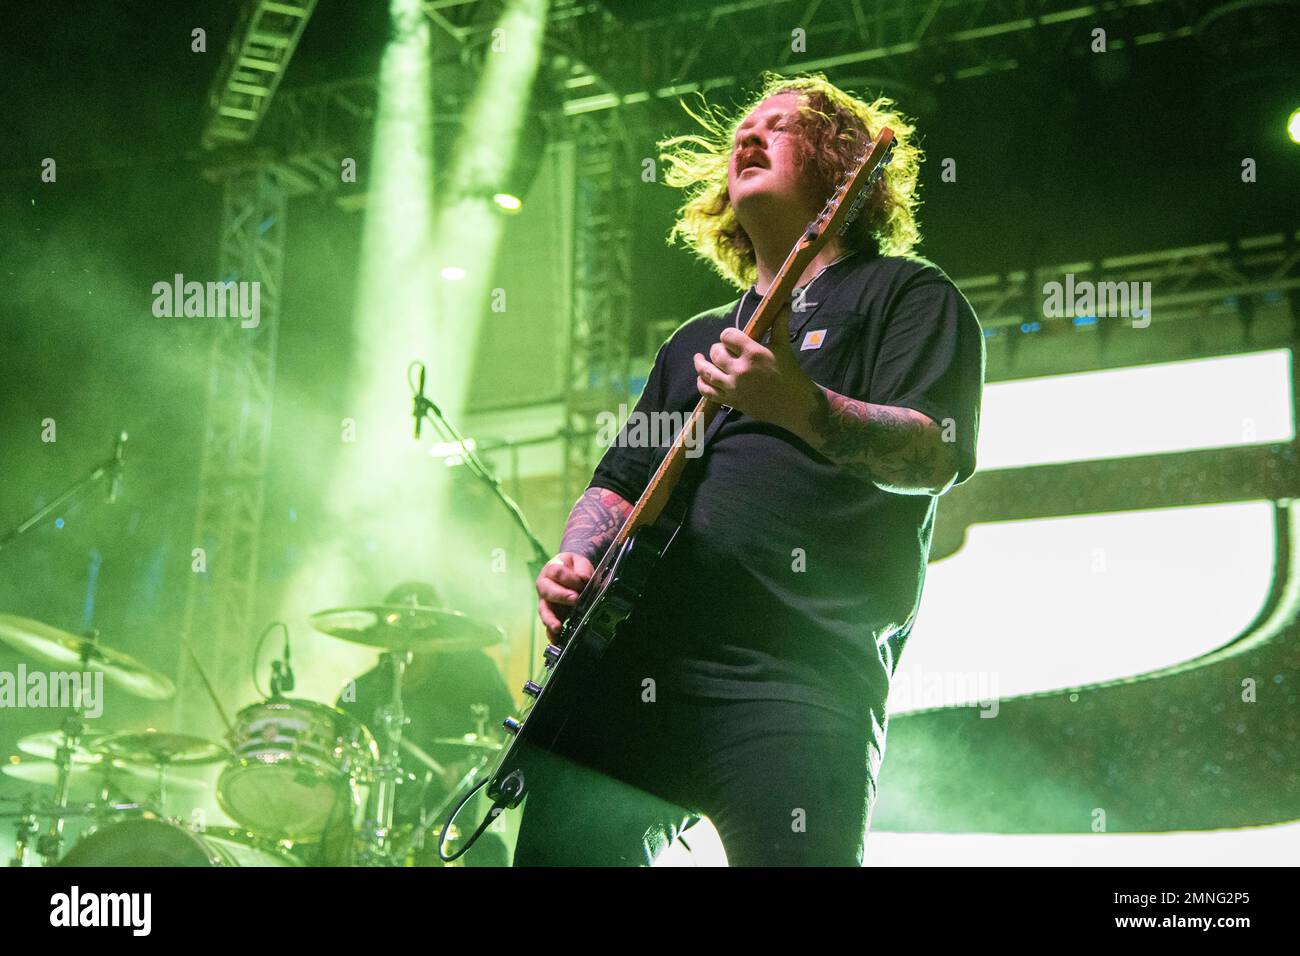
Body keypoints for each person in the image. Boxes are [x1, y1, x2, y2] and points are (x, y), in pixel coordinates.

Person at [517, 72, 986, 866]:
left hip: (799, 676)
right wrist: (577, 558)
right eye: (744, 126)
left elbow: (933, 451)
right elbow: (621, 481)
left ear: (843, 166)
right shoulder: (695, 337)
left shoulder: (907, 295)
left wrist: (797, 404)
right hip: (641, 663)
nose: (748, 135)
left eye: (781, 124)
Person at [336, 581, 515, 866]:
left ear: (440, 635)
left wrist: (470, 766)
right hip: (375, 829)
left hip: (452, 825)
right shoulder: (362, 692)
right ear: (384, 637)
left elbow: (509, 739)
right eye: (400, 633)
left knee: (491, 852)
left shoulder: (476, 673)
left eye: (422, 634)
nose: (411, 644)